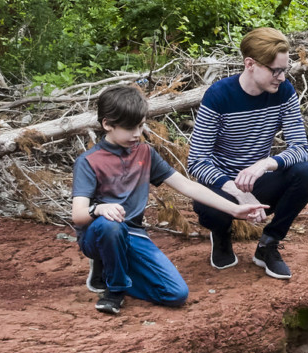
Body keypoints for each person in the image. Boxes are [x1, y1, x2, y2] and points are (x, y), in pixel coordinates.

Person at [73, 85, 266, 317]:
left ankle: (112, 269)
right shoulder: (88, 161)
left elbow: (187, 185)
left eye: (141, 125)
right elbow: (79, 215)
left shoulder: (144, 153)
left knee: (176, 294)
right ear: (107, 124)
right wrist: (100, 209)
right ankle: (115, 290)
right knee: (109, 225)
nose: (137, 133)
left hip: (133, 234)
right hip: (98, 233)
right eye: (129, 128)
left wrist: (235, 209)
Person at [187, 26, 308, 280]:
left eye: (285, 70)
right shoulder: (218, 96)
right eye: (275, 70)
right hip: (223, 187)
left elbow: (300, 148)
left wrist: (265, 164)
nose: (281, 77)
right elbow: (197, 161)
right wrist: (237, 191)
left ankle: (269, 244)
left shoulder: (284, 92)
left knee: (307, 173)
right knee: (207, 206)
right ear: (250, 64)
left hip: (259, 182)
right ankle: (221, 233)